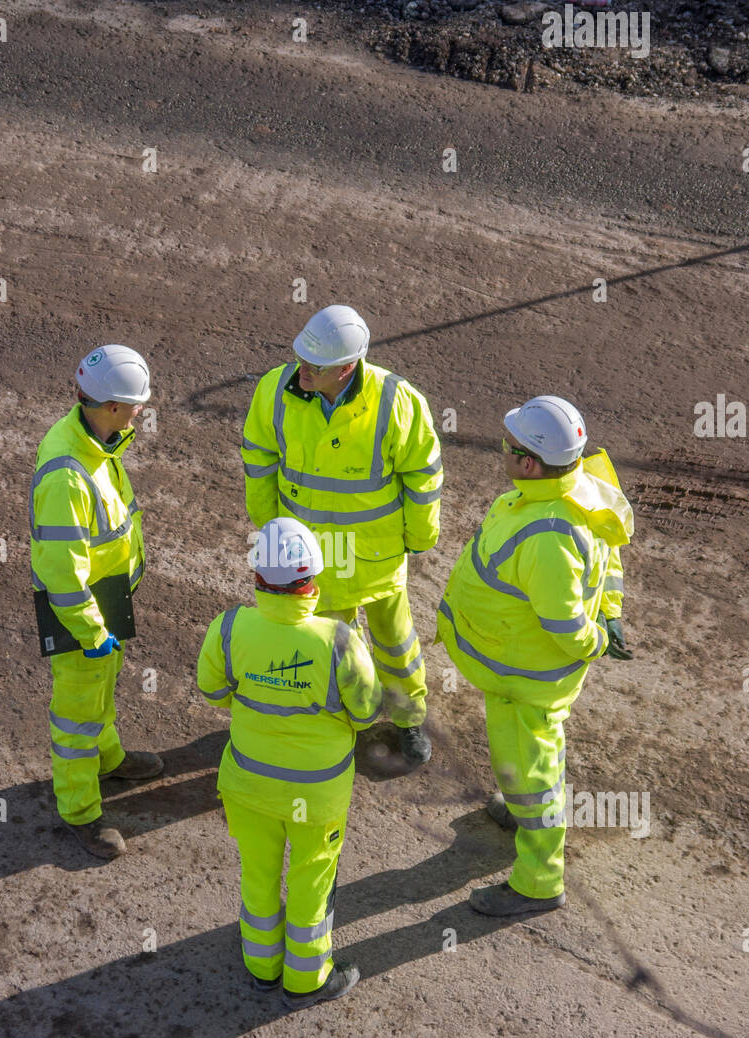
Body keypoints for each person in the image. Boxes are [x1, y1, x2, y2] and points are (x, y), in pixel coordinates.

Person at [435, 396, 633, 916]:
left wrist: (597, 640)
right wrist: (611, 611)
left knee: (533, 773)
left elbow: (565, 624)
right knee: (523, 762)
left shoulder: (548, 534)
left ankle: (538, 882)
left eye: (510, 446)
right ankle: (523, 812)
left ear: (529, 462)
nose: (502, 450)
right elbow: (611, 553)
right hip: (517, 674)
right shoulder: (577, 487)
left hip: (527, 681)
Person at [240, 305, 442, 767]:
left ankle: (409, 718)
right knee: (330, 643)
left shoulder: (397, 401)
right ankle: (354, 716)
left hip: (375, 555)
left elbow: (423, 474)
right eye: (301, 358)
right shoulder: (275, 389)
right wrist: (271, 525)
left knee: (396, 642)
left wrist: (421, 535)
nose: (303, 371)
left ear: (348, 367)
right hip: (313, 553)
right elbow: (259, 454)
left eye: (316, 365)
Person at [197, 517, 382, 1008]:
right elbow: (366, 712)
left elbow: (213, 690)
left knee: (257, 873)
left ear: (257, 578)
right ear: (314, 581)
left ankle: (261, 966)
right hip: (317, 796)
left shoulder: (230, 627)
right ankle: (305, 980)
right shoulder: (339, 640)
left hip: (248, 785)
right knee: (310, 881)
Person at [30, 345, 164, 861]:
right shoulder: (68, 473)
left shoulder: (99, 444)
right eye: (135, 404)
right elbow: (61, 572)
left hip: (105, 600)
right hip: (81, 614)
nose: (140, 412)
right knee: (76, 718)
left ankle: (108, 761)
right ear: (109, 405)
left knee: (102, 690)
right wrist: (90, 632)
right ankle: (81, 813)